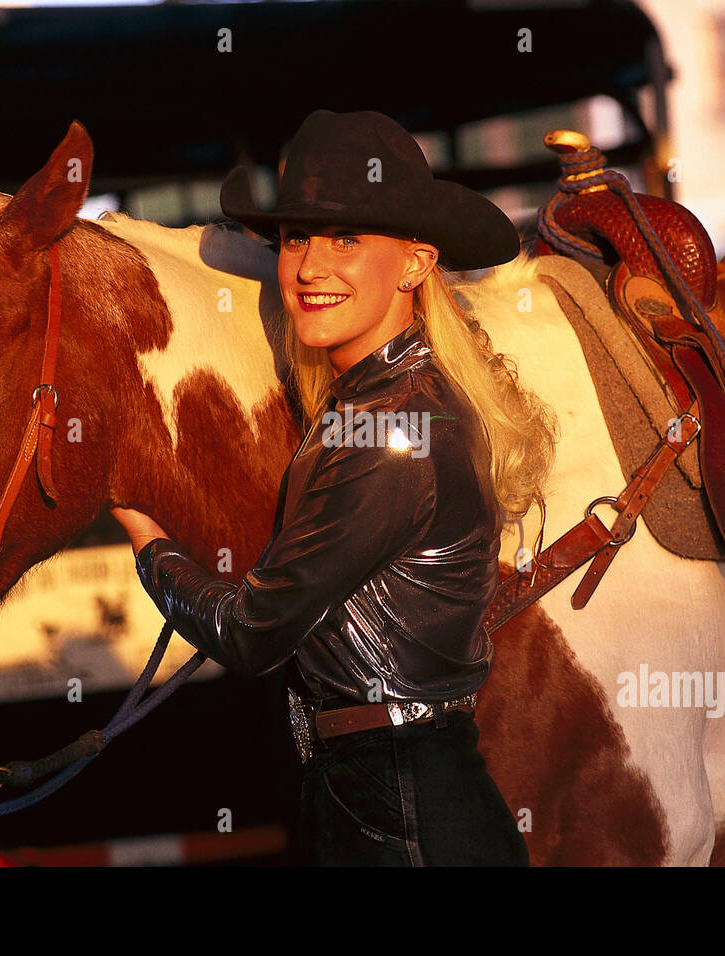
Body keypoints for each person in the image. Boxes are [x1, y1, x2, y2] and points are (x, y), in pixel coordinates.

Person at [112, 109, 556, 866]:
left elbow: (252, 634)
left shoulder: (392, 431)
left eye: (346, 238)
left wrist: (148, 539)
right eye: (296, 238)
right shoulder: (371, 408)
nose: (309, 266)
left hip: (405, 813)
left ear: (416, 264)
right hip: (379, 797)